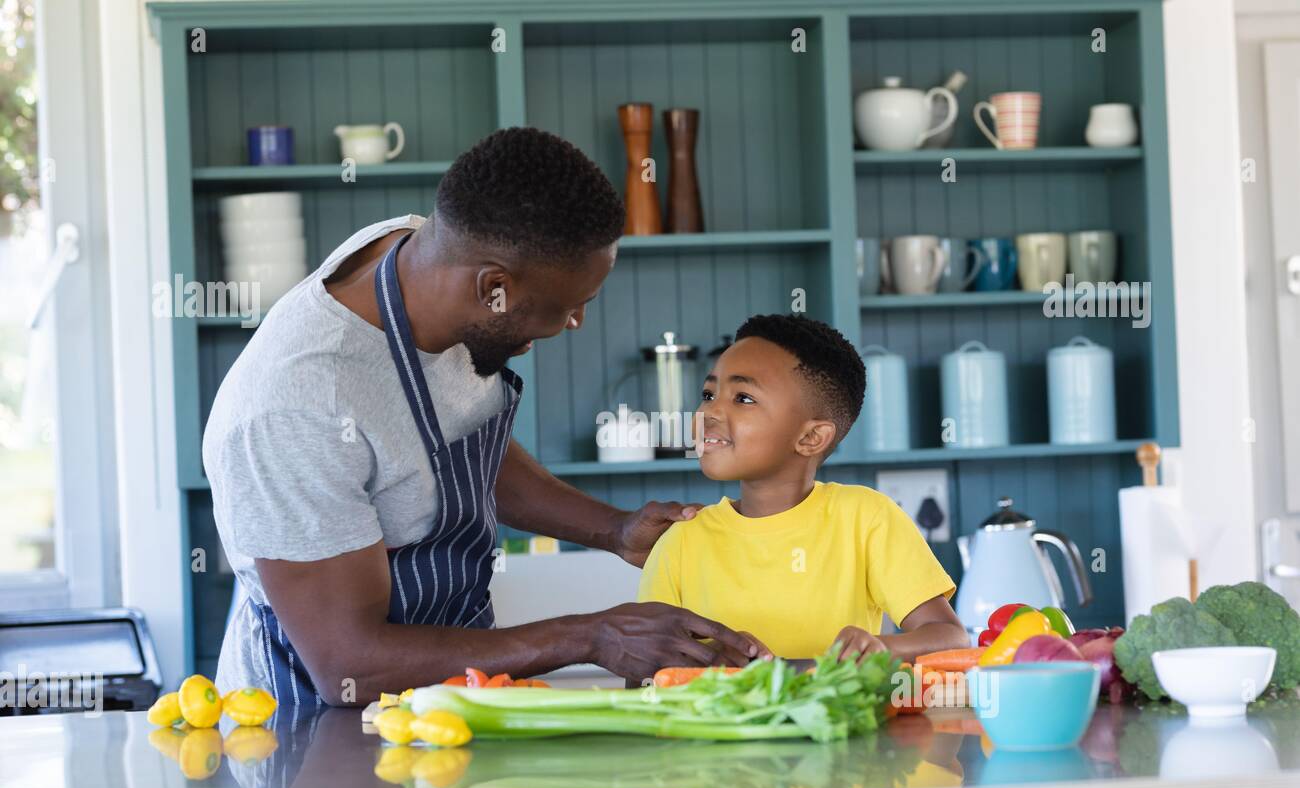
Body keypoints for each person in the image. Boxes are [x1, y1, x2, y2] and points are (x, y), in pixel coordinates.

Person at [204, 128, 767, 711]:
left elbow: (458, 452)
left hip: (446, 701)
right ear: (494, 287)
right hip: (312, 731)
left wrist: (615, 531)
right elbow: (351, 664)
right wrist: (591, 635)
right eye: (570, 305)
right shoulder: (297, 409)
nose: (574, 322)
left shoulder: (425, 261)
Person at [637, 313, 968, 662]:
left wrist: (883, 647)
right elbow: (640, 674)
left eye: (743, 398)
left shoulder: (866, 518)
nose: (709, 412)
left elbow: (951, 638)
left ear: (811, 437)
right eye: (708, 394)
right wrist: (707, 659)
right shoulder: (680, 542)